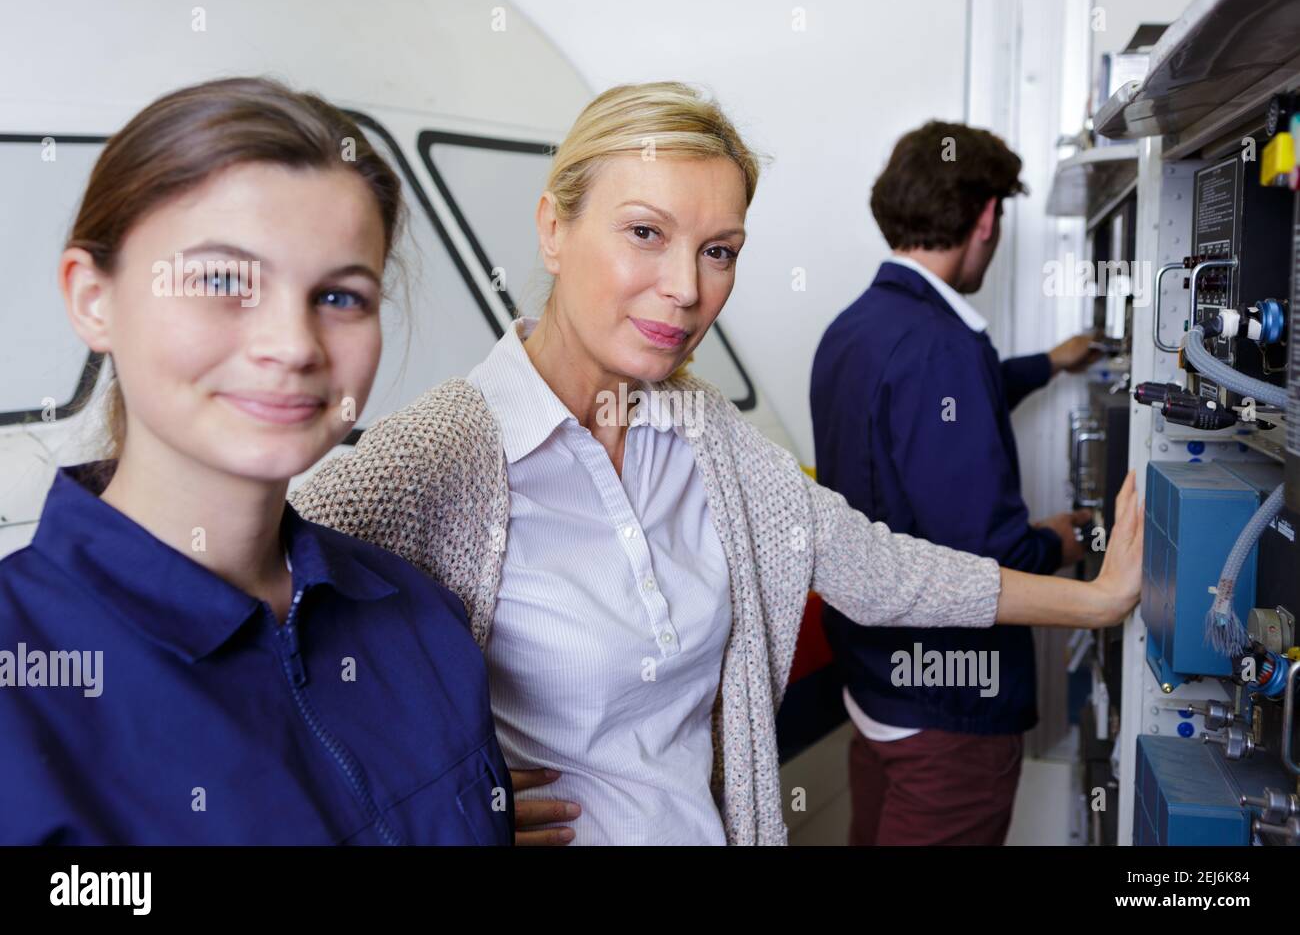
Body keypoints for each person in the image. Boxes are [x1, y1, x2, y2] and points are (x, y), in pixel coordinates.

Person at [290, 83, 1144, 846]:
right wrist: (428, 814)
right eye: (644, 234)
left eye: (719, 250)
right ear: (553, 228)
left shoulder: (702, 432)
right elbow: (219, 663)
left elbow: (879, 567)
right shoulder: (429, 460)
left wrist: (1098, 601)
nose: (687, 289)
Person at [0, 77, 512, 845]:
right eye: (222, 281)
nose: (293, 345)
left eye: (340, 298)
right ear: (92, 299)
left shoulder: (420, 617)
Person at [810, 119, 1106, 846]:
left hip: (878, 684)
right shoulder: (943, 347)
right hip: (948, 710)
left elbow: (920, 423)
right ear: (986, 218)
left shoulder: (856, 329)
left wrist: (1046, 364)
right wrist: (1068, 542)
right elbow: (991, 558)